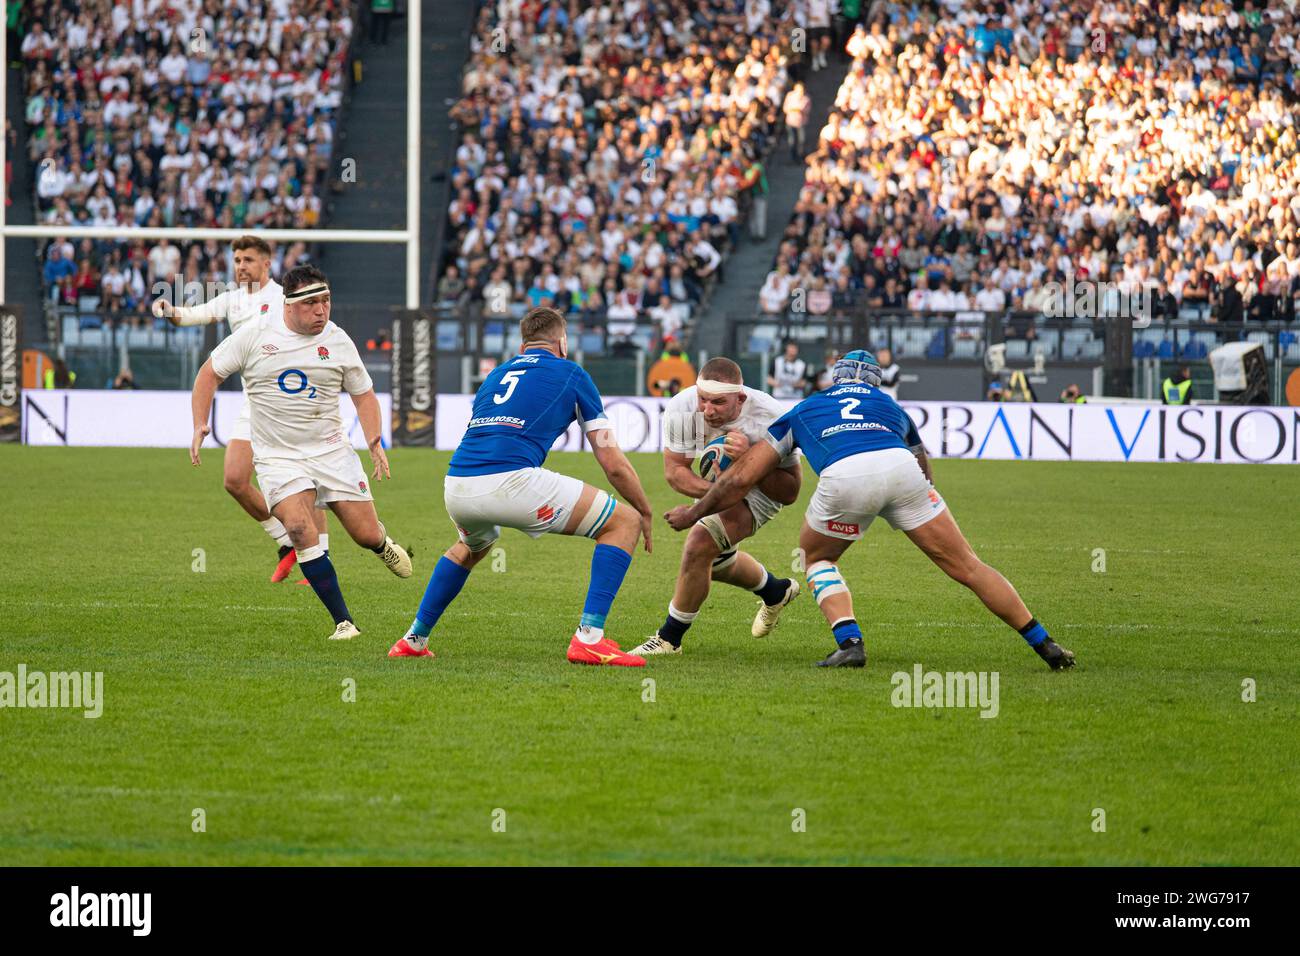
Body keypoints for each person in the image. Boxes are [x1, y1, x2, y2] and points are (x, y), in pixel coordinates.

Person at [665, 350, 1075, 671]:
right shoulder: (892, 409)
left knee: (819, 556)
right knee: (968, 564)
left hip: (846, 476)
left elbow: (740, 480)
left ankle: (850, 644)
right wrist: (919, 502)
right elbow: (923, 466)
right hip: (903, 472)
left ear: (835, 380)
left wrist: (692, 513)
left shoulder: (806, 407)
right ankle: (1044, 642)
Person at [388, 306, 656, 666]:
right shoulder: (572, 373)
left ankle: (413, 640)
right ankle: (589, 639)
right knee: (623, 523)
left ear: (523, 344)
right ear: (562, 342)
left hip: (457, 484)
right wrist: (645, 509)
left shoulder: (496, 374)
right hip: (509, 482)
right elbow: (613, 464)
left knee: (471, 547)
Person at [190, 265, 414, 641]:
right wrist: (199, 423)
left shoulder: (338, 340)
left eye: (326, 301)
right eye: (312, 303)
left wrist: (374, 440)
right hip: (277, 456)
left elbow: (363, 394)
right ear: (289, 306)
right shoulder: (254, 336)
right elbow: (208, 374)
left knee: (363, 534)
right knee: (297, 526)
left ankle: (380, 542)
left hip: (331, 451)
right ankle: (344, 622)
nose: (321, 311)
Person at [155, 235, 326, 583]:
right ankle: (285, 541)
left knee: (308, 482)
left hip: (289, 401)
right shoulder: (231, 300)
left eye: (248, 259)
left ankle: (319, 556)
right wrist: (170, 311)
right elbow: (193, 315)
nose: (241, 266)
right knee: (234, 479)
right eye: (236, 260)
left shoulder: (283, 298)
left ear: (267, 263)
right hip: (254, 404)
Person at [631, 358, 803, 657]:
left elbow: (790, 491)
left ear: (740, 397)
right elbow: (675, 471)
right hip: (715, 483)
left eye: (718, 403)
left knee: (699, 543)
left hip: (762, 489)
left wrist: (750, 457)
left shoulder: (773, 416)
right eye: (703, 400)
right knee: (716, 561)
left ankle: (669, 639)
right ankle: (776, 591)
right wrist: (721, 493)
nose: (708, 410)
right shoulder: (682, 406)